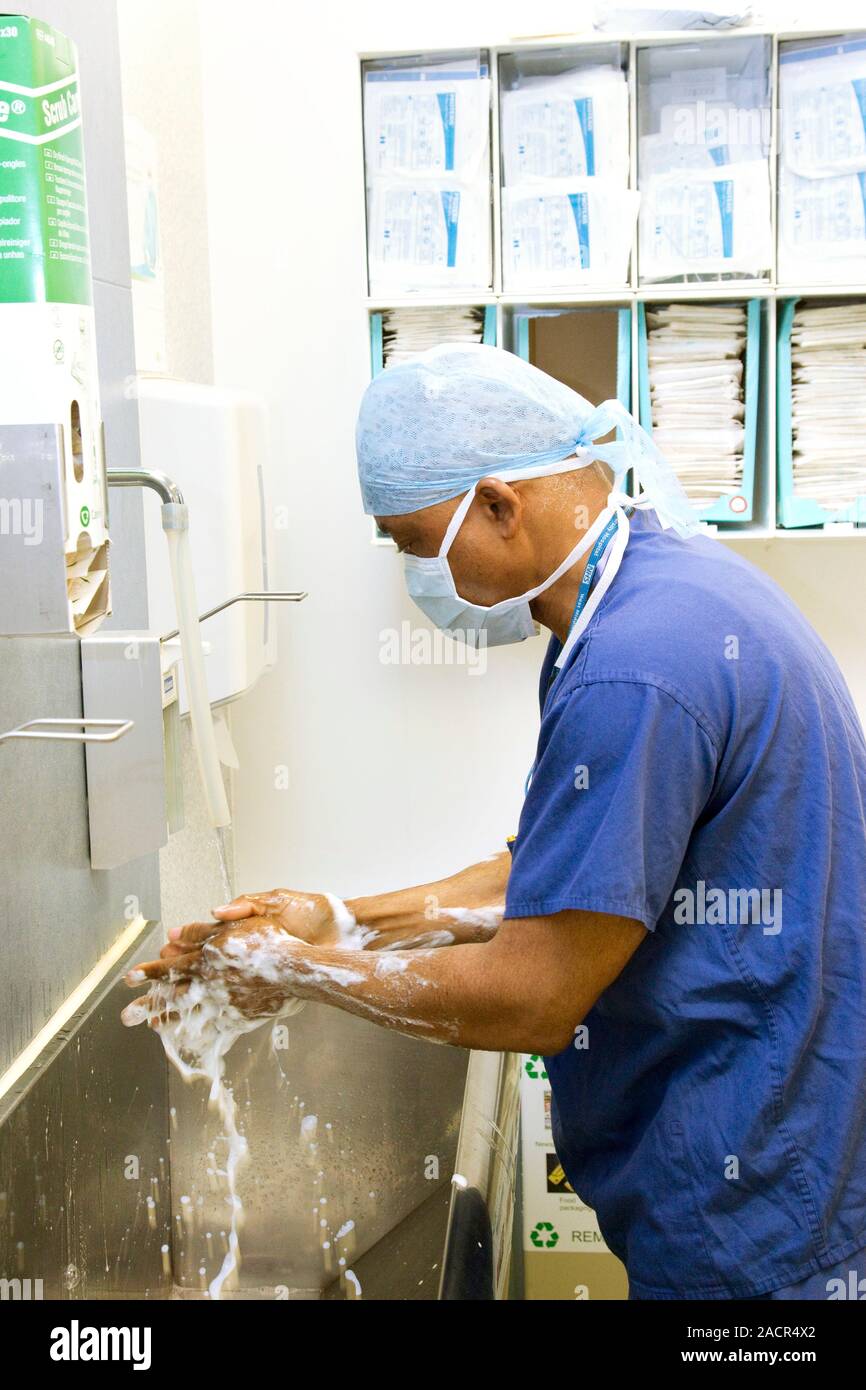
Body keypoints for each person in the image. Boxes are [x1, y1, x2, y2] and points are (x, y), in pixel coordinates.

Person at [124, 344, 866, 1301]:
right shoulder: (660, 594)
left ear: (499, 506)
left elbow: (532, 998)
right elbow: (560, 877)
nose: (413, 575)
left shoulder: (634, 670)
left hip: (755, 1219)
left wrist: (295, 972)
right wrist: (339, 918)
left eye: (410, 542)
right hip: (779, 1161)